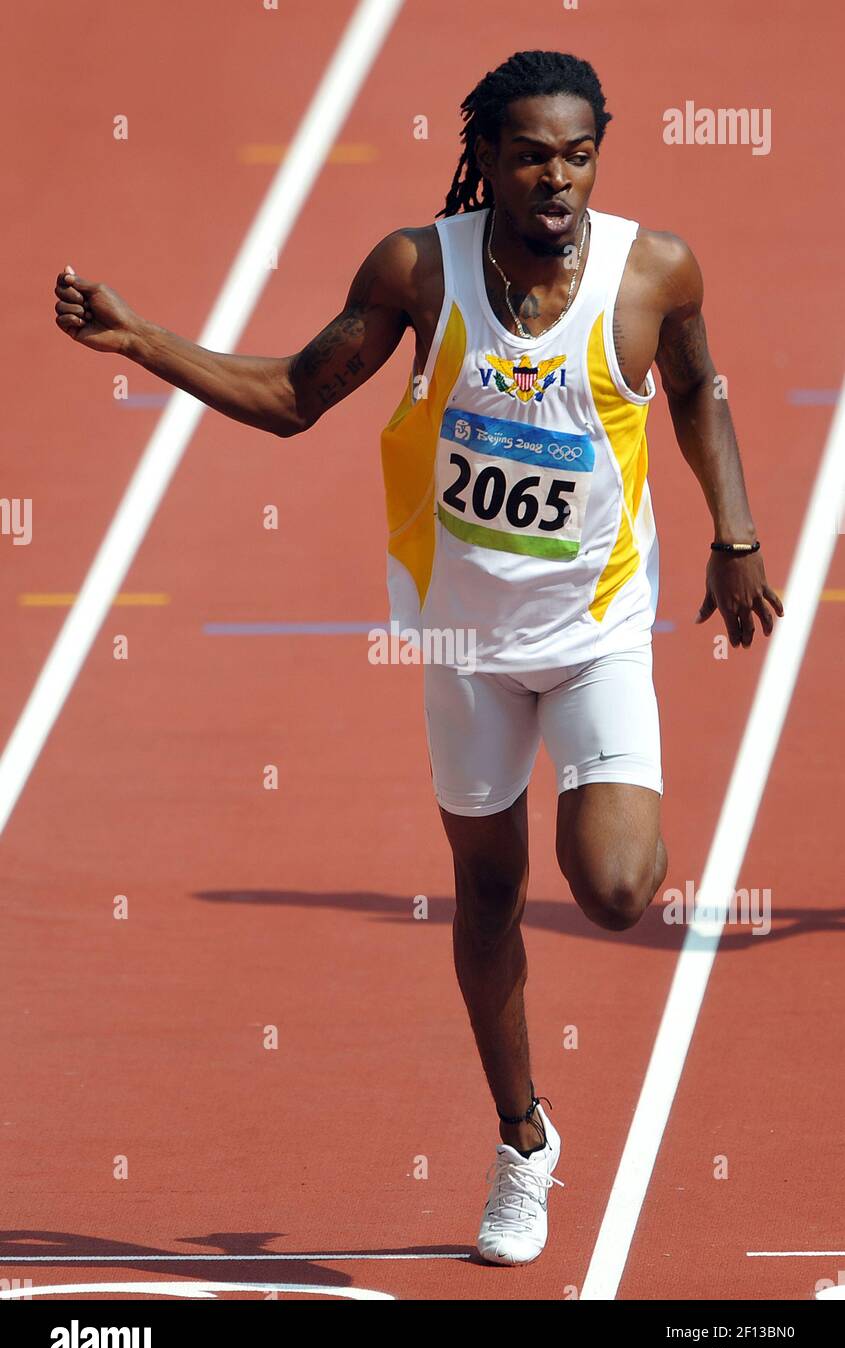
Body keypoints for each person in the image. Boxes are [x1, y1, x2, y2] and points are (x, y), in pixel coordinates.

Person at [54, 49, 784, 1267]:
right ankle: (523, 1140)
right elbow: (294, 394)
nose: (558, 180)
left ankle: (618, 782)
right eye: (531, 156)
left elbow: (698, 387)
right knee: (488, 893)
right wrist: (147, 343)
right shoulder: (418, 272)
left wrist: (736, 532)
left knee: (609, 887)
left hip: (596, 630)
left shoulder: (651, 268)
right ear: (486, 159)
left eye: (579, 154)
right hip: (460, 643)